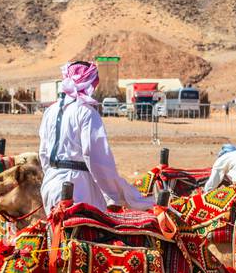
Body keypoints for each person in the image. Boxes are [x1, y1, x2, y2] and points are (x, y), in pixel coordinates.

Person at [38, 61, 155, 213]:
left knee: (55, 234)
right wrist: (123, 196)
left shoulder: (50, 111)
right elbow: (97, 161)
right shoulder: (86, 112)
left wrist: (54, 174)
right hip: (79, 189)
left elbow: (43, 154)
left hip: (50, 184)